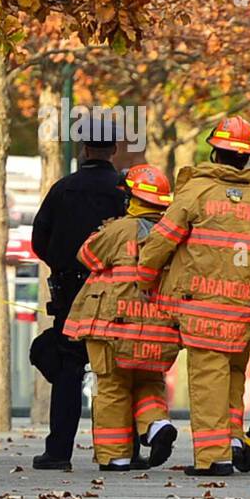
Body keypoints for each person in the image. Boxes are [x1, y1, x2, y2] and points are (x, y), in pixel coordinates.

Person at [138, 116, 250, 476]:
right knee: (234, 378)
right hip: (247, 311)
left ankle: (211, 459)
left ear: (215, 153)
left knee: (208, 382)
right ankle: (233, 441)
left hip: (203, 310)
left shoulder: (194, 193)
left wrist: (146, 276)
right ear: (247, 159)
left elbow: (162, 239)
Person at [63, 164, 180, 471]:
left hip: (114, 327)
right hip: (159, 327)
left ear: (131, 199)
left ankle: (117, 457)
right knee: (149, 383)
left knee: (112, 387)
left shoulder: (118, 230)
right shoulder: (174, 234)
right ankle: (156, 426)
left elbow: (87, 256)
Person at [29, 128, 127, 471]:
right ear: (114, 149)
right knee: (120, 371)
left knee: (69, 367)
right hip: (120, 294)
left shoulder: (62, 189)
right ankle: (124, 451)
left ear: (84, 149)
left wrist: (64, 262)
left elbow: (39, 240)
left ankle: (58, 452)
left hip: (72, 293)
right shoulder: (126, 192)